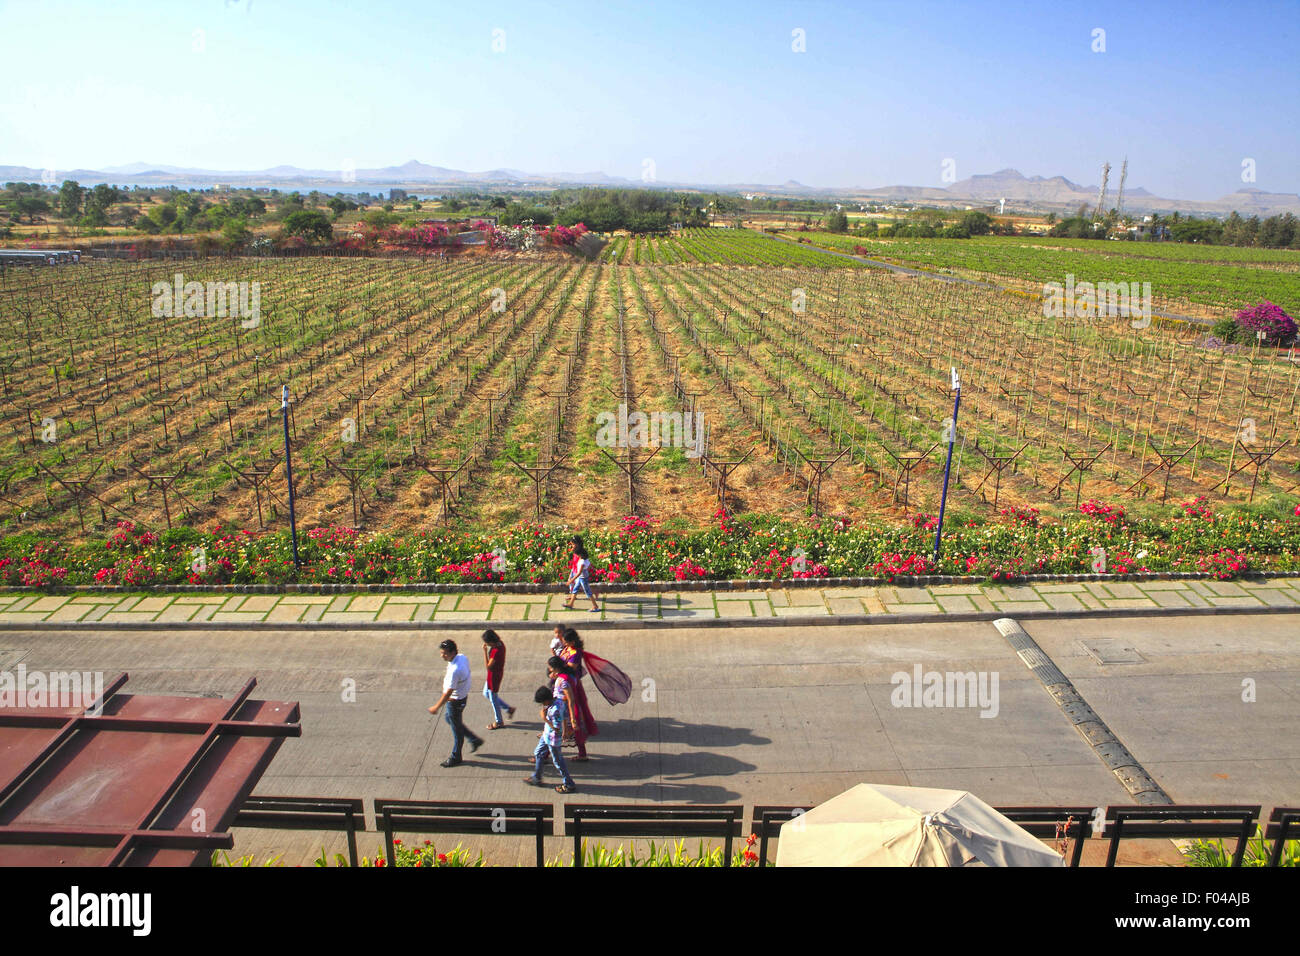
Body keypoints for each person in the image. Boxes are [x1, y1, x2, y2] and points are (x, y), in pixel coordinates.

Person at [428, 639, 483, 767]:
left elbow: (448, 693)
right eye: (441, 653)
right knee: (450, 719)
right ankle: (474, 739)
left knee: (457, 731)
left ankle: (456, 756)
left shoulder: (455, 671)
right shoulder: (462, 658)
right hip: (461, 698)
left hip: (455, 702)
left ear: (453, 653)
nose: (442, 655)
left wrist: (436, 706)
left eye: (445, 653)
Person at [526, 686, 576, 793]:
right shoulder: (559, 701)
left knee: (558, 762)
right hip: (546, 735)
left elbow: (557, 728)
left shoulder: (555, 710)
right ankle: (537, 777)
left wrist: (544, 719)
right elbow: (565, 715)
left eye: (542, 702)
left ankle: (569, 783)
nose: (542, 705)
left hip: (553, 739)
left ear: (546, 700)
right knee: (538, 753)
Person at [558, 629, 598, 760]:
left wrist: (556, 666)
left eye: (565, 641)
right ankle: (582, 753)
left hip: (570, 687)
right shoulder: (568, 649)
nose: (563, 643)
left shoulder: (575, 653)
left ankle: (545, 754)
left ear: (572, 641)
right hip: (563, 685)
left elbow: (570, 668)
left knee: (569, 717)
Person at [481, 629, 515, 730]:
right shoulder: (501, 644)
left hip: (494, 677)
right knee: (486, 693)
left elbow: (488, 666)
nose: (486, 644)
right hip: (494, 674)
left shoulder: (496, 651)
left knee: (493, 698)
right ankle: (508, 709)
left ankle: (499, 721)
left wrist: (484, 652)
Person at [562, 535, 599, 612]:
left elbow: (579, 573)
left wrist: (571, 580)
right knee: (575, 589)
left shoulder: (582, 562)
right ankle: (571, 604)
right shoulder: (584, 560)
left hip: (582, 578)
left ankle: (595, 606)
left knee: (587, 592)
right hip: (582, 577)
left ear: (580, 555)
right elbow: (589, 566)